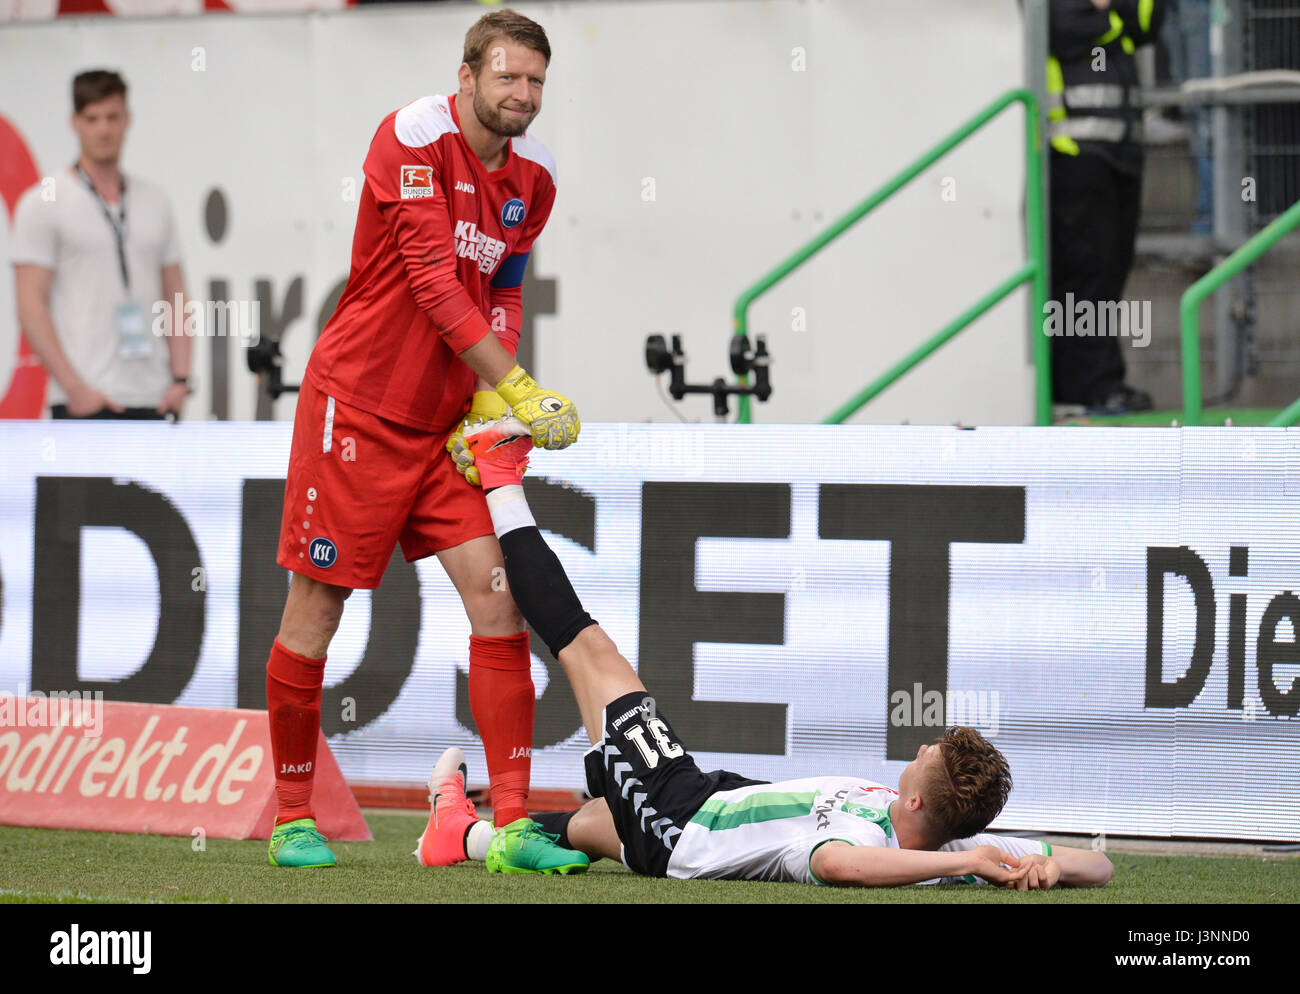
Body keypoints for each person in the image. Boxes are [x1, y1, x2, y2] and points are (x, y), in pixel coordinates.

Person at [417, 418, 1114, 888]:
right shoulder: (958, 847)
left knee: (584, 644)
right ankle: (457, 834)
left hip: (680, 819)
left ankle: (499, 474)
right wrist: (1049, 868)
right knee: (589, 826)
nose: (920, 746)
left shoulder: (873, 846)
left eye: (925, 753)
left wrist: (960, 865)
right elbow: (1100, 867)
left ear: (913, 797)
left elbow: (841, 867)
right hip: (710, 799)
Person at [263, 8, 585, 873]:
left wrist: (488, 394)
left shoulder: (536, 179)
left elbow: (503, 290)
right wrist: (516, 389)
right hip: (357, 411)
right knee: (318, 611)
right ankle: (294, 816)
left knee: (498, 599)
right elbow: (436, 286)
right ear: (469, 74)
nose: (524, 95)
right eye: (509, 76)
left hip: (444, 431)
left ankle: (512, 825)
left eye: (537, 82)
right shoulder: (412, 134)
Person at [12, 70, 192, 420]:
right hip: (85, 398)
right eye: (92, 119)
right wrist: (74, 388)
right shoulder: (44, 201)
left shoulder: (153, 198)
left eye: (112, 117)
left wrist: (182, 379)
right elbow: (30, 305)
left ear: (127, 120)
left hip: (152, 397)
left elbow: (176, 295)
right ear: (74, 122)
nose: (103, 130)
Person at [1047, 0, 1165, 414]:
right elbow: (1060, 27)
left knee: (1111, 271)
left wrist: (1106, 11)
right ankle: (1089, 386)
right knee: (1084, 273)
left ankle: (1093, 382)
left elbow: (1148, 21)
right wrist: (1114, 16)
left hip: (1122, 148)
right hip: (1074, 150)